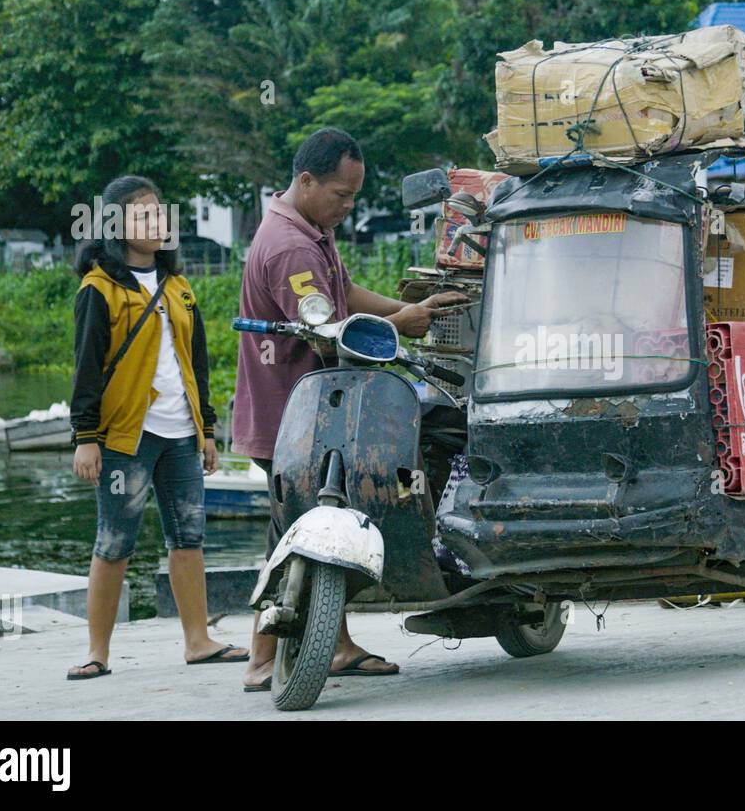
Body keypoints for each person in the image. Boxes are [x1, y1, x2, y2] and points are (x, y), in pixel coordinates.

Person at [232, 128, 465, 692]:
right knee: (298, 529)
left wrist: (408, 308)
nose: (348, 205)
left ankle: (311, 648)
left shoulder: (309, 229)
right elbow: (324, 333)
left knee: (292, 527)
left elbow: (344, 292)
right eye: (341, 194)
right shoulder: (290, 247)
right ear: (307, 181)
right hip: (293, 414)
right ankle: (276, 656)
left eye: (353, 195)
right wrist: (398, 326)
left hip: (307, 409)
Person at [67, 175, 248, 680]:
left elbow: (197, 363)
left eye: (159, 213)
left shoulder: (179, 288)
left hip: (181, 435)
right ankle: (96, 652)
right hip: (125, 437)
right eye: (143, 214)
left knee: (188, 537)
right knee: (114, 541)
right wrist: (85, 439)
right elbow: (85, 368)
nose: (157, 222)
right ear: (116, 225)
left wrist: (207, 430)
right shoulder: (98, 290)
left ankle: (198, 640)